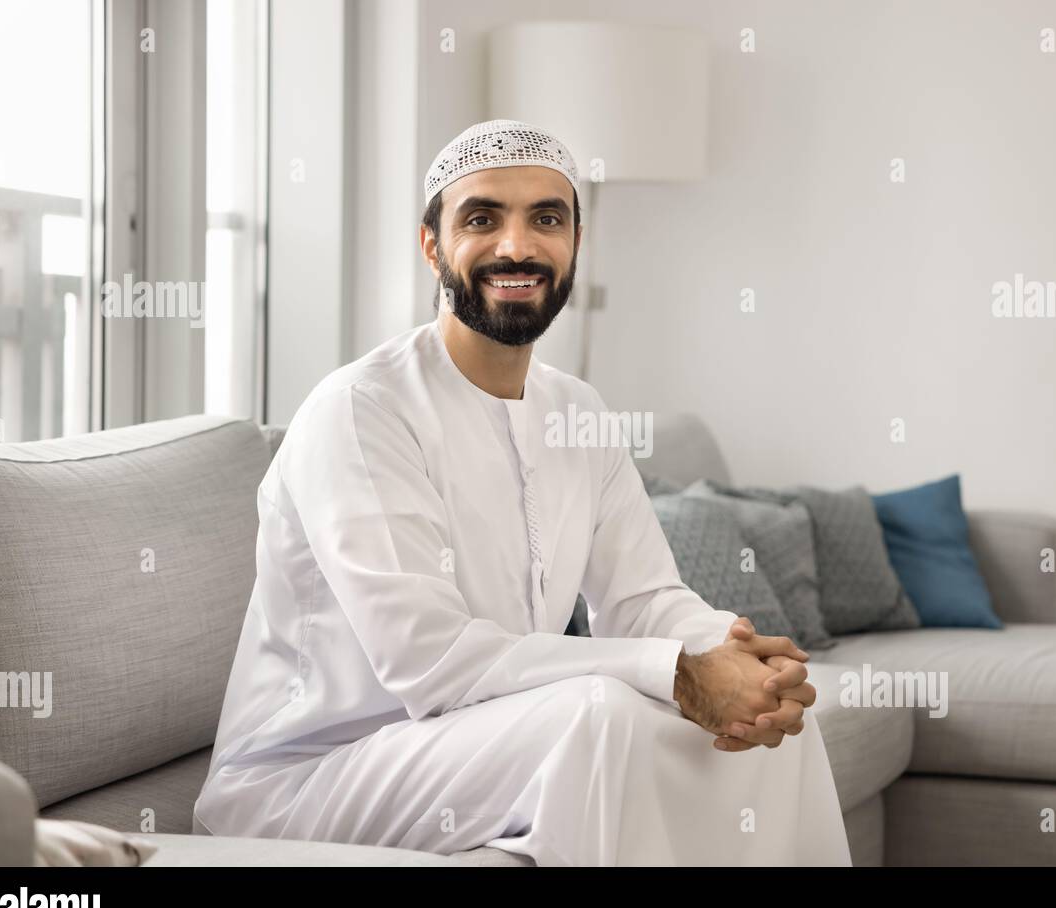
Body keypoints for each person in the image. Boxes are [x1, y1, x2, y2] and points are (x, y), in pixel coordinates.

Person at [192, 119, 851, 866]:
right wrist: (675, 672)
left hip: (476, 735)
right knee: (598, 715)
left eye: (547, 217)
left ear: (574, 243)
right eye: (482, 218)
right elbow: (433, 663)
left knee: (775, 728)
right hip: (308, 780)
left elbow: (642, 598)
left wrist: (733, 656)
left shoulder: (579, 412)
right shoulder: (360, 409)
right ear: (432, 245)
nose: (516, 246)